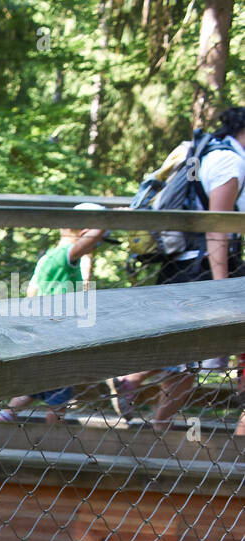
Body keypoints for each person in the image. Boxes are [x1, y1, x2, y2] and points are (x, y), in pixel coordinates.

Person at [113, 107, 245, 432]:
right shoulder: (231, 162)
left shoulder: (211, 151)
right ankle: (140, 398)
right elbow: (218, 228)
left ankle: (138, 397)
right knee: (190, 358)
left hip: (181, 264)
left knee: (184, 356)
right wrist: (221, 290)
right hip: (201, 270)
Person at [0, 204, 109, 424]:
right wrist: (109, 219)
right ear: (85, 235)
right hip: (57, 338)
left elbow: (32, 292)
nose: (96, 247)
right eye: (98, 242)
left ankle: (1, 420)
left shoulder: (47, 258)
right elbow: (87, 242)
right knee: (59, 399)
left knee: (34, 388)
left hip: (42, 335)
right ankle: (52, 444)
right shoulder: (63, 258)